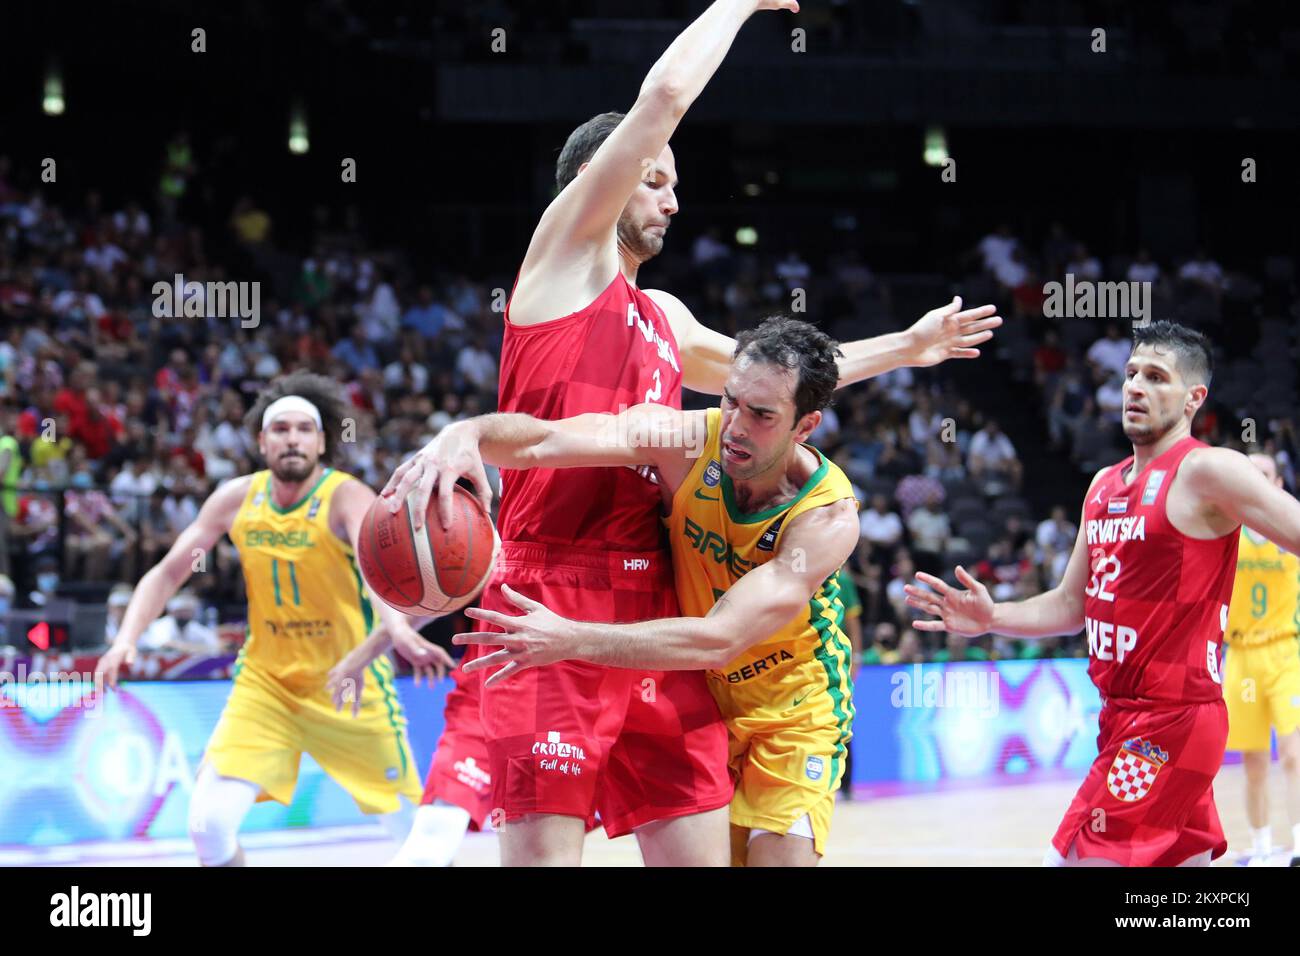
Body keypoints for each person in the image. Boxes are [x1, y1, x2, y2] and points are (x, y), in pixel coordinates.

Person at [383, 0, 999, 868]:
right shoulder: (564, 259)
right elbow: (666, 94)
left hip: (658, 603)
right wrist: (737, 3)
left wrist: (910, 347)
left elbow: (773, 378)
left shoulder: (664, 313)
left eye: (674, 181)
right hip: (547, 592)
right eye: (655, 178)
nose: (674, 196)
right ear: (602, 177)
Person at [422, 317, 859, 866]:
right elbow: (550, 439)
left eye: (762, 415)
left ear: (805, 425)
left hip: (790, 710)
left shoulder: (825, 520)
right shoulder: (686, 437)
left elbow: (718, 638)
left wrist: (572, 638)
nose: (735, 427)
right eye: (730, 401)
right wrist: (468, 434)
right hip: (706, 697)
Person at [904, 321, 1300, 867]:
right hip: (1122, 718)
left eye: (1156, 377)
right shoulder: (1102, 486)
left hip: (1170, 721)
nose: (1135, 387)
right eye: (1131, 374)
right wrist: (994, 615)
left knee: (1069, 860)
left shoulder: (1208, 470)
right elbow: (1071, 606)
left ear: (1193, 399)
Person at [95, 371, 451, 867]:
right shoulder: (236, 498)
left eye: (304, 429)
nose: (292, 438)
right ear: (262, 442)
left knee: (416, 836)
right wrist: (125, 639)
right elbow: (169, 570)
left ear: (322, 441)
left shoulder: (346, 496)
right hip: (267, 686)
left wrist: (394, 628)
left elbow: (379, 576)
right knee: (207, 826)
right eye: (280, 429)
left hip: (349, 683)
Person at [1222, 453, 1300, 866]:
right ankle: (1262, 846)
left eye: (1264, 475)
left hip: (1285, 650)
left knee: (1293, 752)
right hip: (1240, 655)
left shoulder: (1292, 527)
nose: (1255, 481)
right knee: (1253, 761)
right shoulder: (1224, 529)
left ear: (1279, 484)